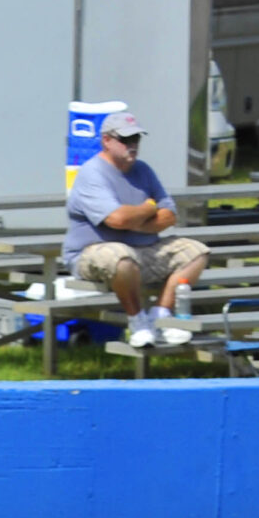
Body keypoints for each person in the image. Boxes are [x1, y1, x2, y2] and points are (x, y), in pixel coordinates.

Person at [62, 111, 208, 348]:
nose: (132, 146)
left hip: (142, 249)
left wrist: (136, 219)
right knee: (121, 257)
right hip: (90, 253)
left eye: (136, 140)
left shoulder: (144, 170)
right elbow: (117, 220)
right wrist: (149, 206)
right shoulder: (92, 173)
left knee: (196, 251)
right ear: (106, 141)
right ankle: (137, 320)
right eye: (125, 140)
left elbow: (170, 215)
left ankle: (161, 315)